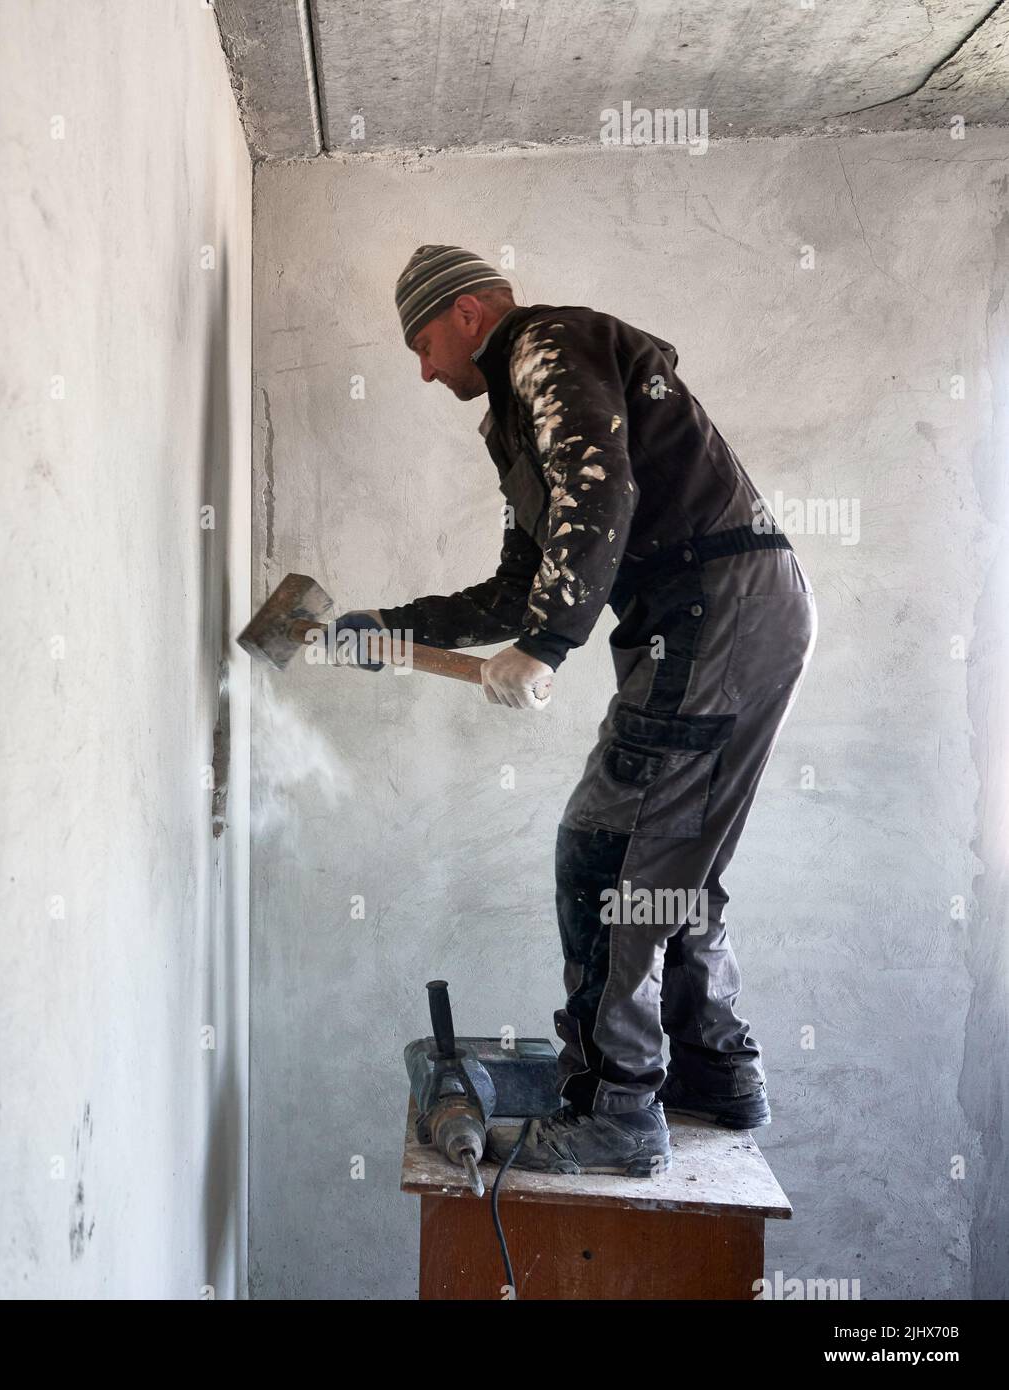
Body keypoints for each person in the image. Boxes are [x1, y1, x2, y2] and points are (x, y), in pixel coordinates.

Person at [331, 245, 817, 1176]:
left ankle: (617, 1107)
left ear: (468, 312)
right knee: (670, 856)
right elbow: (519, 585)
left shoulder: (547, 345)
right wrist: (392, 629)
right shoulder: (520, 418)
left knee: (608, 854)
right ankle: (713, 1068)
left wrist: (550, 644)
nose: (425, 371)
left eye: (422, 344)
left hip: (711, 610)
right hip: (727, 613)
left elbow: (602, 488)